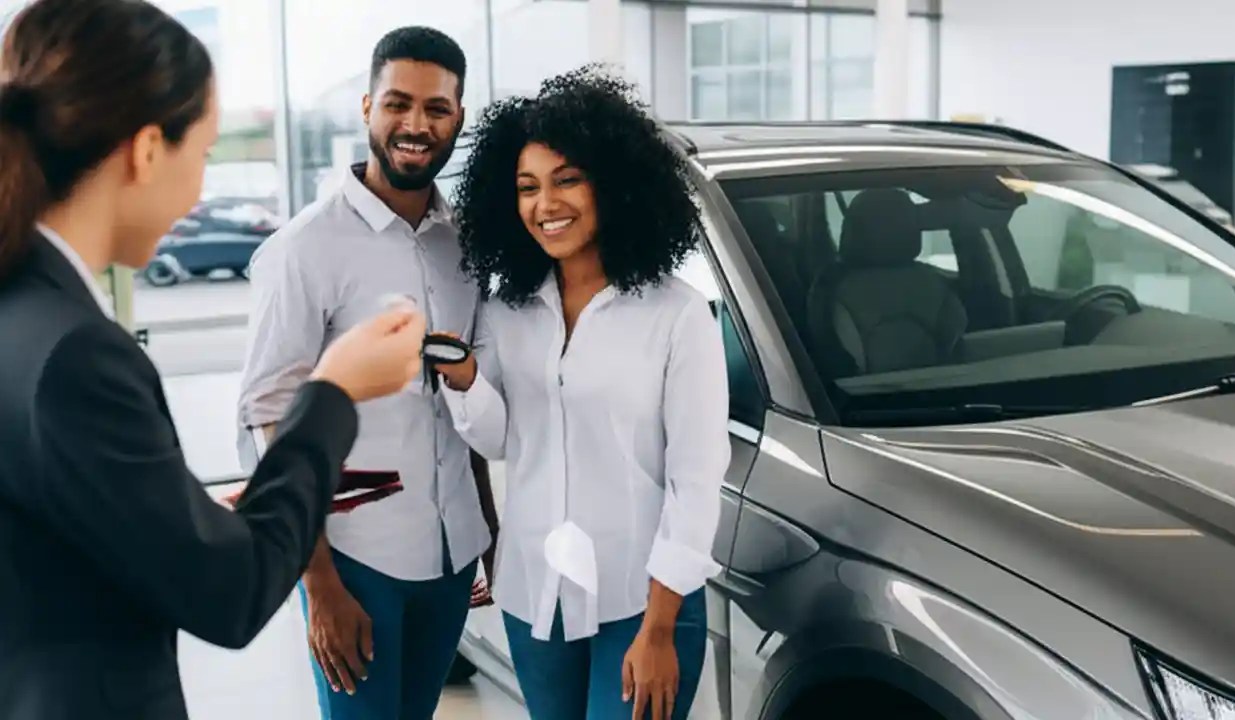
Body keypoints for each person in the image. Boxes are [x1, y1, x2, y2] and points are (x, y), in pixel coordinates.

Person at [0, 2, 427, 719]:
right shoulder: (77, 354)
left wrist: (174, 501)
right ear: (144, 151)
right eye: (202, 156)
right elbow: (230, 593)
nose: (198, 191)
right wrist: (333, 392)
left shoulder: (20, 304)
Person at [437, 66, 730, 720]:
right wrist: (465, 381)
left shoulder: (676, 315)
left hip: (644, 601)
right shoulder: (506, 310)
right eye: (527, 187)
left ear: (614, 185)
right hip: (534, 592)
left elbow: (697, 479)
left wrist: (658, 630)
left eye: (567, 179)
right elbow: (500, 440)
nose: (547, 204)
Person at [236, 25, 499, 720]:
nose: (416, 125)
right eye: (398, 104)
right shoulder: (304, 249)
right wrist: (317, 583)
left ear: (458, 119)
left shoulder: (466, 244)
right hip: (354, 560)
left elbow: (461, 408)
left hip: (450, 555)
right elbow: (270, 418)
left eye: (436, 109)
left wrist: (491, 535)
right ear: (367, 109)